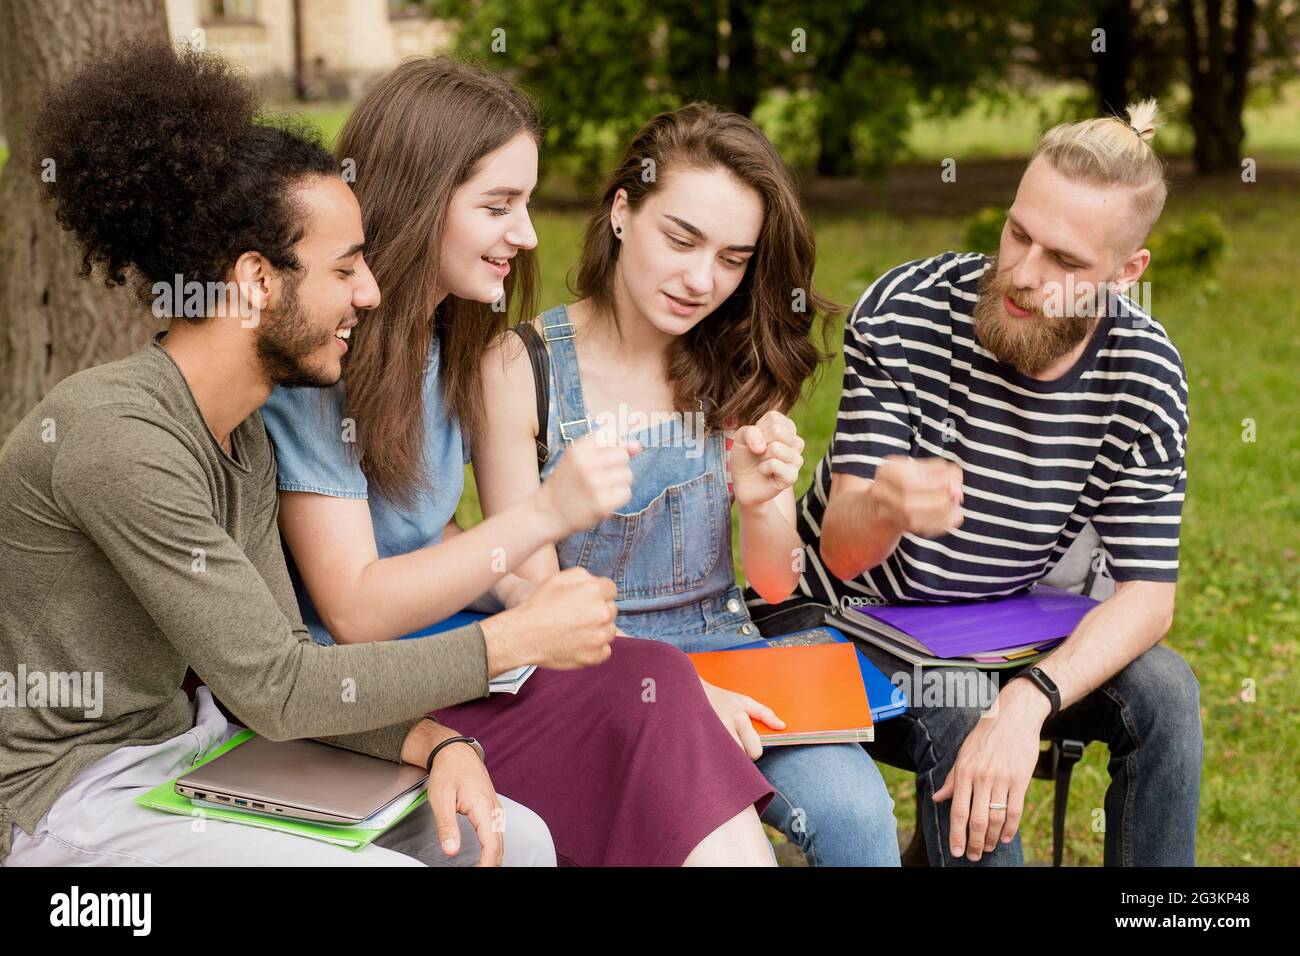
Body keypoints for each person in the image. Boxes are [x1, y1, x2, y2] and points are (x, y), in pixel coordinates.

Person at [0, 39, 564, 867]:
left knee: (521, 843)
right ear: (258, 281)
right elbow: (276, 685)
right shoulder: (117, 437)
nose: (370, 293)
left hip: (191, 758)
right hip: (67, 797)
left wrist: (437, 746)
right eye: (347, 268)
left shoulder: (247, 435)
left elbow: (280, 674)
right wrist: (514, 641)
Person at [261, 59, 776, 867]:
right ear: (417, 197)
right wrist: (544, 517)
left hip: (452, 655)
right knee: (649, 702)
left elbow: (424, 530)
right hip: (365, 701)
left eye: (526, 204)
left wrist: (529, 591)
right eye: (498, 206)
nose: (528, 234)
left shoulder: (441, 340)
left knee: (653, 677)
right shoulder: (324, 359)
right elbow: (355, 610)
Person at [749, 100, 1201, 866]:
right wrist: (886, 504)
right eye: (1018, 233)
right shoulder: (909, 312)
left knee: (1167, 693)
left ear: (1128, 273)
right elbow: (844, 552)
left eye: (1064, 260)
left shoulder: (1146, 371)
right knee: (961, 705)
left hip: (1000, 633)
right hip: (838, 617)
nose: (1022, 275)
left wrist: (1032, 700)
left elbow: (1147, 597)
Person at [475, 103, 904, 867]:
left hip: (731, 648)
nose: (703, 280)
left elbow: (773, 584)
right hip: (592, 673)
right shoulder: (521, 369)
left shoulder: (737, 354)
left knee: (857, 815)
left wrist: (766, 500)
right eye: (681, 239)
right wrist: (679, 695)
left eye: (734, 259)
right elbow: (530, 595)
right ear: (620, 212)